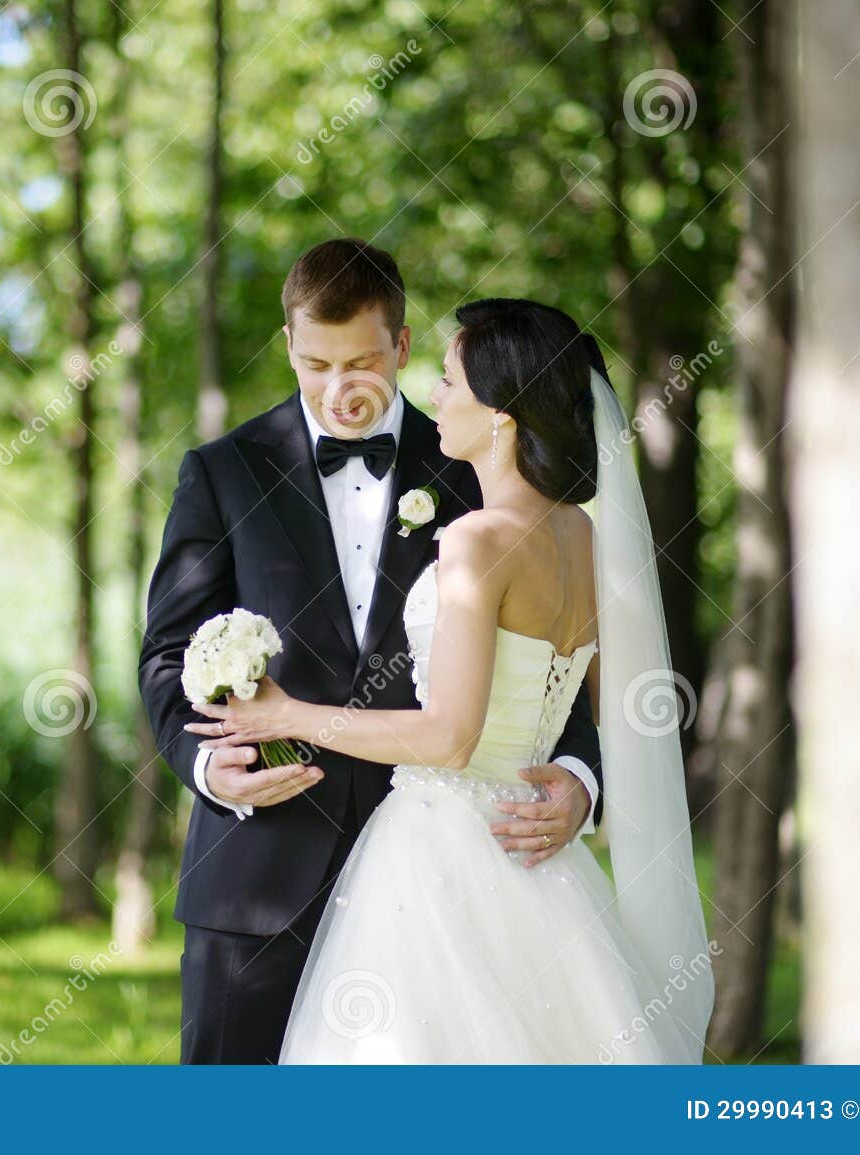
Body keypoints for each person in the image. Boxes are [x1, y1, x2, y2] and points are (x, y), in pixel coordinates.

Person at [188, 297, 714, 1062]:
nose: (432, 395)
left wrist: (287, 714)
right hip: (541, 866)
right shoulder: (584, 535)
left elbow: (449, 736)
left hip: (441, 854)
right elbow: (596, 704)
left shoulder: (478, 540)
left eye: (448, 380)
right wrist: (575, 777)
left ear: (501, 414)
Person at [138, 240, 604, 1065]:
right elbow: (169, 652)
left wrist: (578, 776)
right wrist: (209, 768)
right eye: (315, 364)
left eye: (360, 362)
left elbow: (546, 653)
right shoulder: (222, 472)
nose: (338, 388)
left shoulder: (478, 461)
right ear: (288, 344)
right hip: (257, 871)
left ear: (401, 344)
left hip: (448, 884)